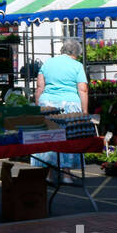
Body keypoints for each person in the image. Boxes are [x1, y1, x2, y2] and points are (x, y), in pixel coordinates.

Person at [32, 38, 89, 181]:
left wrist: (38, 106)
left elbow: (39, 87)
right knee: (68, 138)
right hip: (69, 105)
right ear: (76, 53)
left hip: (48, 104)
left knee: (49, 138)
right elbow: (83, 89)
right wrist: (85, 111)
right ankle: (66, 174)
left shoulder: (47, 63)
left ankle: (49, 174)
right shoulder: (77, 65)